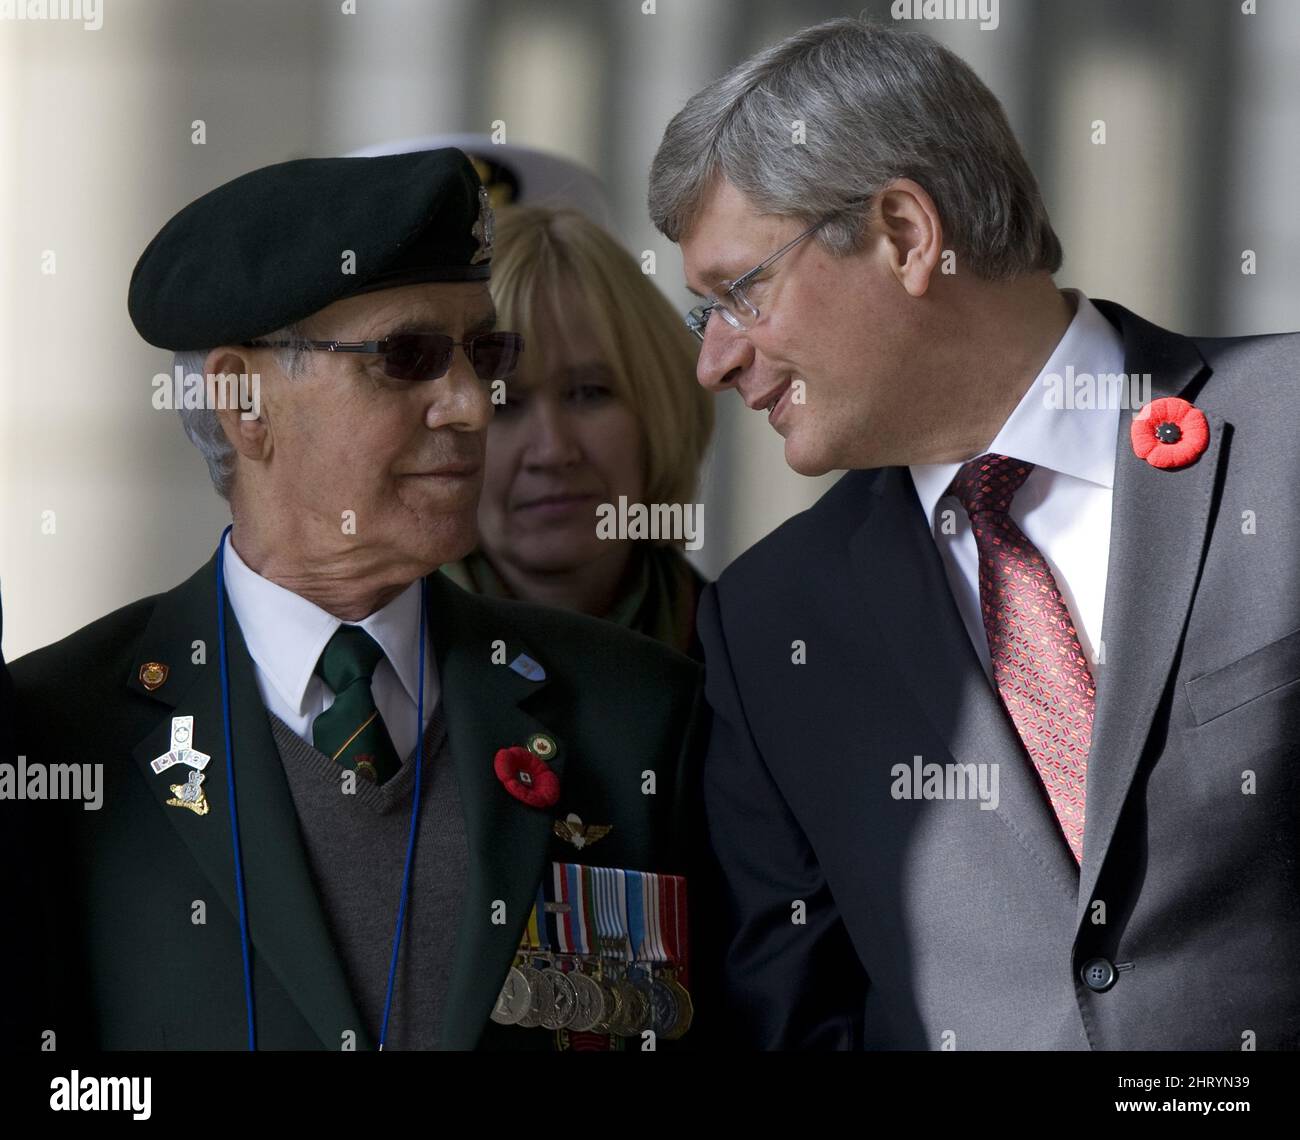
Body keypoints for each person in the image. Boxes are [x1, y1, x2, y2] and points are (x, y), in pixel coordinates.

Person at [648, 17, 1300, 1049]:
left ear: (904, 234)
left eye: (741, 292)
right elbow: (790, 1018)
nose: (715, 362)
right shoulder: (770, 621)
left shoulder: (1284, 436)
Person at [10, 149, 707, 1052]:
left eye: (481, 353)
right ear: (242, 400)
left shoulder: (635, 710)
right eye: (406, 358)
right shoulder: (59, 733)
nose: (467, 405)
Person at [440, 205, 714, 660]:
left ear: (660, 408)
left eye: (589, 393)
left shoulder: (753, 659)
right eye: (504, 403)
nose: (552, 450)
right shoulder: (382, 678)